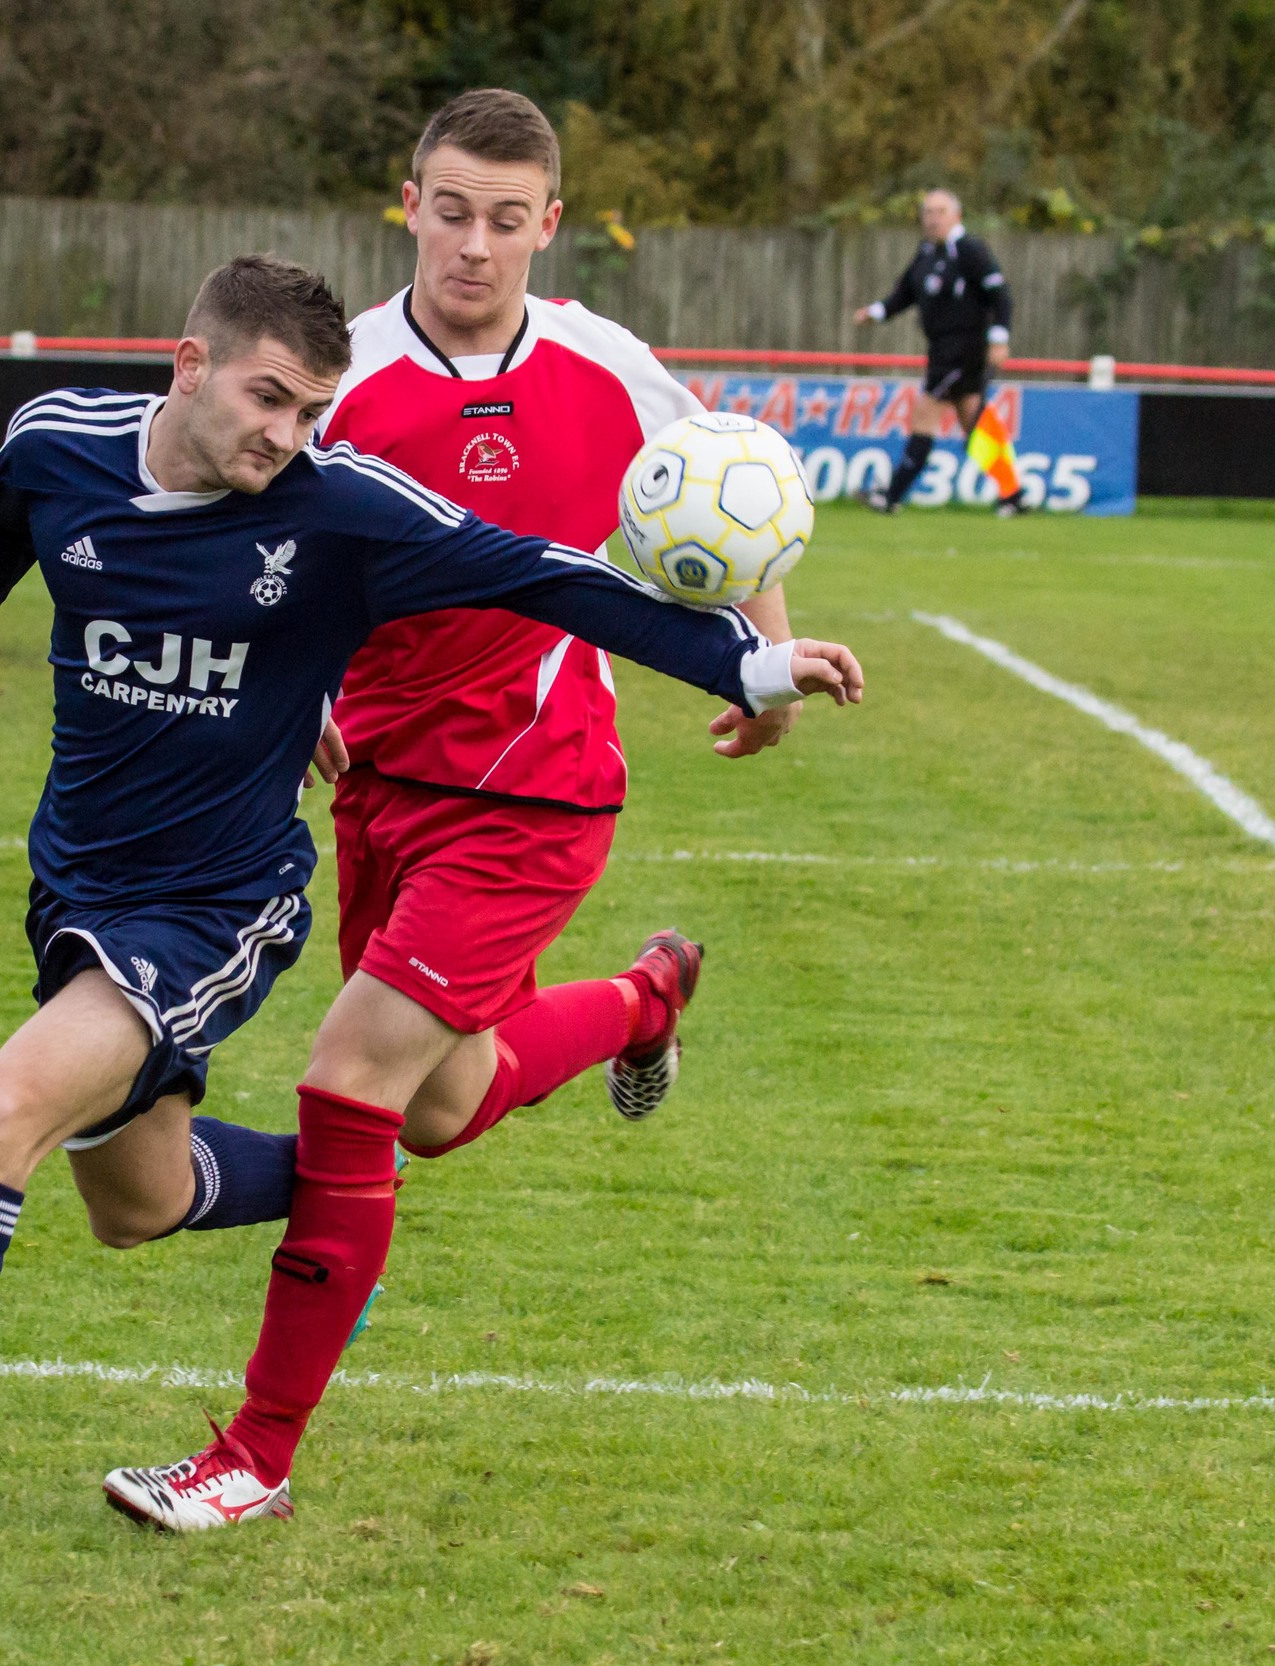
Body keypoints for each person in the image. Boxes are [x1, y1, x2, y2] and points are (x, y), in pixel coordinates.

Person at [0, 255, 863, 1554]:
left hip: (215, 905)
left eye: (312, 410)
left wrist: (750, 657)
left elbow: (541, 575)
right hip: (77, 888)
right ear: (190, 364)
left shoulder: (337, 506)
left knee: (2, 1114)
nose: (285, 435)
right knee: (137, 1202)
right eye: (266, 398)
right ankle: (345, 1211)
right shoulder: (62, 445)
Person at [98, 89, 820, 1533]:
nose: (475, 245)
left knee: (350, 1079)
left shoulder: (608, 368)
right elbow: (257, 544)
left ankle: (255, 1452)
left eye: (507, 219)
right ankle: (643, 999)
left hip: (539, 787)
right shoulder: (342, 369)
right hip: (383, 786)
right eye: (450, 210)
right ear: (408, 203)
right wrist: (293, 695)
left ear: (548, 224)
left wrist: (767, 655)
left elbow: (730, 496)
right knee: (431, 1108)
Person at [851, 188, 1021, 515]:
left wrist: (999, 339)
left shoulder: (970, 251)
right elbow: (904, 293)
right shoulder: (927, 252)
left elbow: (1001, 297)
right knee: (974, 420)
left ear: (956, 215)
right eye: (927, 212)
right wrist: (875, 312)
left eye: (940, 211)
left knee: (925, 412)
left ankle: (892, 496)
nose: (932, 218)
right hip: (941, 350)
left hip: (965, 349)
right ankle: (1012, 494)